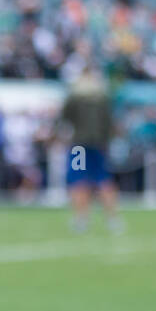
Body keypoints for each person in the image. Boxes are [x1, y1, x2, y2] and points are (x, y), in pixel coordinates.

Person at [59, 66, 121, 232]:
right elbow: (109, 122)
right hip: (99, 144)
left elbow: (65, 118)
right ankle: (112, 219)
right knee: (103, 180)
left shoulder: (75, 96)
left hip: (79, 144)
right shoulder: (102, 97)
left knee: (79, 181)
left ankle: (81, 219)